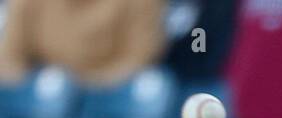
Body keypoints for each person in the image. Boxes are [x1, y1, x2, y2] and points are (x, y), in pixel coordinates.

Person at [0, 0, 165, 86]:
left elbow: (140, 58)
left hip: (115, 98)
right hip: (44, 93)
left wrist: (84, 87)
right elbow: (8, 60)